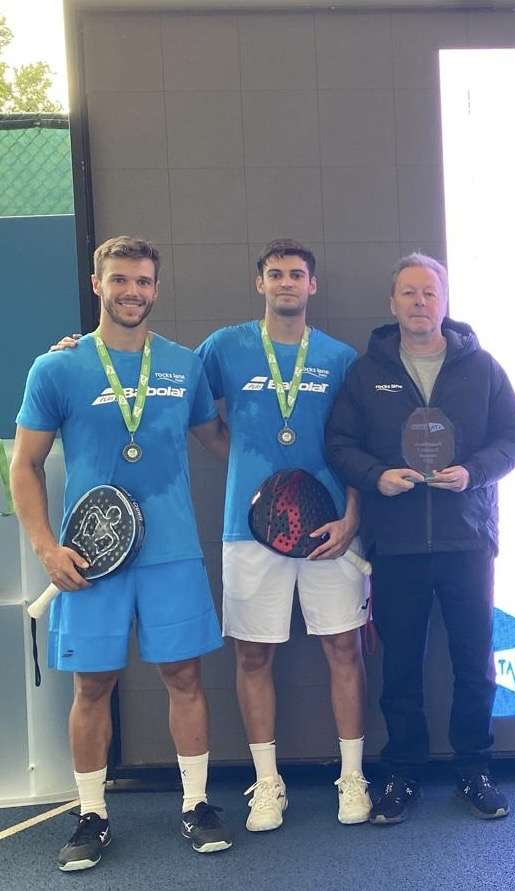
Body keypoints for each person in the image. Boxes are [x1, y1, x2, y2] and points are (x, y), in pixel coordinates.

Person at [10, 236, 234, 871]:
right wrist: (46, 548)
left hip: (172, 553)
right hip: (90, 557)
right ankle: (91, 815)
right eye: (119, 280)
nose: (131, 291)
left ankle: (195, 805)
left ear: (156, 289)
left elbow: (218, 437)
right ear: (96, 284)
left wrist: (288, 471)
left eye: (142, 281)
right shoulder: (57, 368)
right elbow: (23, 465)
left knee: (185, 678)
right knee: (93, 685)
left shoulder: (185, 365)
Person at [326, 253, 515, 825]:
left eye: (430, 294)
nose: (420, 303)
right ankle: (403, 773)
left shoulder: (481, 367)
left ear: (445, 302)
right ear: (392, 304)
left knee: (473, 661)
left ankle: (475, 769)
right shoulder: (366, 373)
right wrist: (375, 477)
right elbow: (338, 443)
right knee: (401, 666)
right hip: (397, 545)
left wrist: (476, 472)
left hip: (467, 541)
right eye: (409, 294)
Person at [195, 240, 370, 829]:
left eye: (297, 274)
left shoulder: (340, 358)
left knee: (345, 646)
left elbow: (358, 445)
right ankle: (267, 783)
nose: (287, 283)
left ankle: (352, 778)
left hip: (329, 526)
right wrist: (243, 461)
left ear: (312, 286)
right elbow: (179, 394)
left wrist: (352, 518)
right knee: (252, 653)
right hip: (250, 531)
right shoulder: (224, 347)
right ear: (259, 284)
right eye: (276, 274)